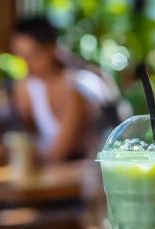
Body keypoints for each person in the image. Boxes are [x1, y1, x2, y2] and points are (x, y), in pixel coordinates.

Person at [9, 16, 114, 163]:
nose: (27, 65)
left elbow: (60, 153)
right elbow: (24, 137)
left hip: (85, 173)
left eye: (34, 55)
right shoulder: (27, 86)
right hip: (53, 170)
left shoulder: (77, 86)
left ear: (52, 47)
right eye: (21, 57)